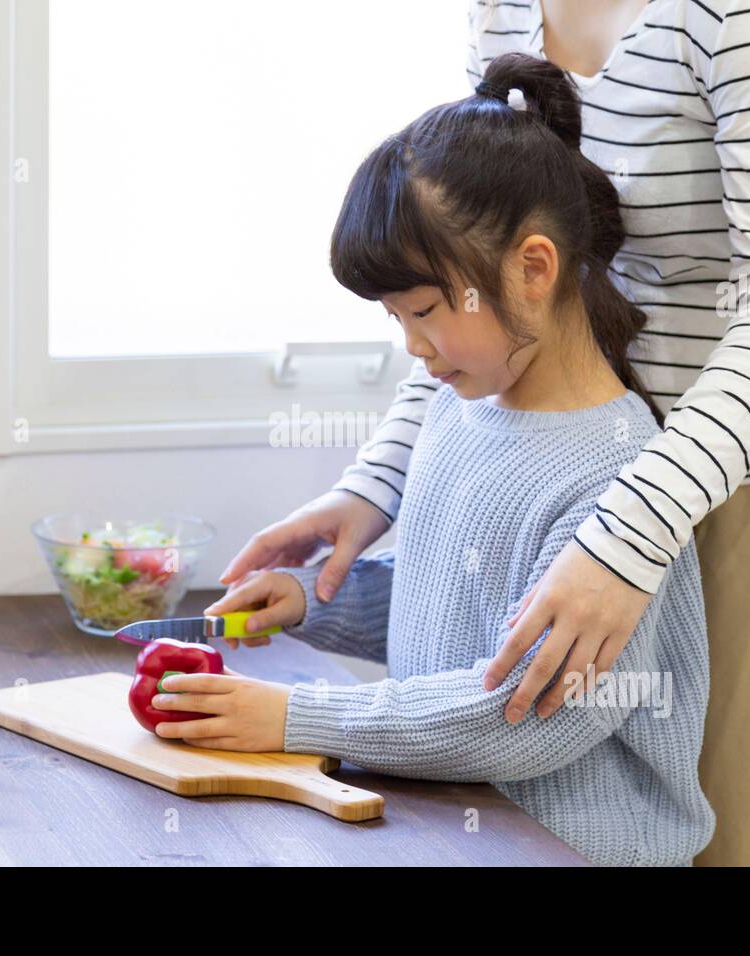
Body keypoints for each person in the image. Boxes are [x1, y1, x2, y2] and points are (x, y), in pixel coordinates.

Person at [212, 0, 750, 866]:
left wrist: (625, 536)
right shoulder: (503, 12)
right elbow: (476, 258)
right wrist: (377, 485)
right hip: (617, 483)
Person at [150, 52, 715, 866]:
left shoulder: (621, 483)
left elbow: (522, 715)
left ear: (531, 269)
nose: (412, 347)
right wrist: (315, 602)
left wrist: (293, 717)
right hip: (450, 828)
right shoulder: (460, 410)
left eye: (421, 310)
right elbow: (458, 608)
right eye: (394, 318)